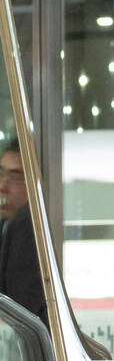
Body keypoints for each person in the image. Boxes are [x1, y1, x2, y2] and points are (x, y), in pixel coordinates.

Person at [0, 138, 46, 323]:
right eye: (1, 173)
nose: (2, 186)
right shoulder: (8, 224)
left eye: (16, 176)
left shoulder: (28, 228)